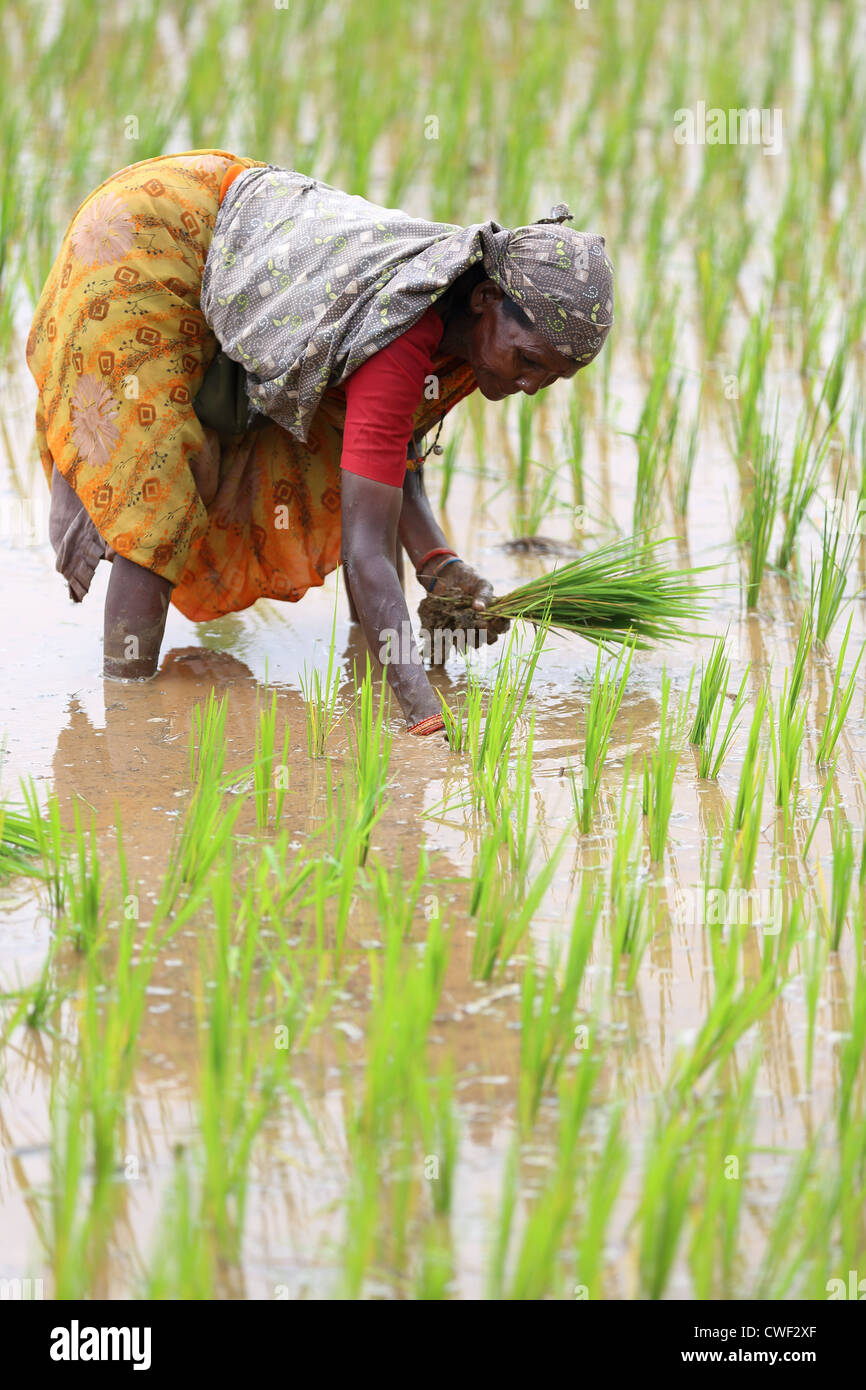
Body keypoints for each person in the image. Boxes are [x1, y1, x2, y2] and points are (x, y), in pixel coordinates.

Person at [26, 150, 614, 736]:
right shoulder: (405, 327)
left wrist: (441, 567)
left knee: (323, 474)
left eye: (553, 377)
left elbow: (388, 457)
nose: (532, 386)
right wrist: (426, 716)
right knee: (159, 501)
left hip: (231, 251)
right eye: (530, 360)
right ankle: (127, 715)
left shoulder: (459, 322)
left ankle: (101, 479)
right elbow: (366, 552)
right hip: (149, 234)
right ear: (486, 300)